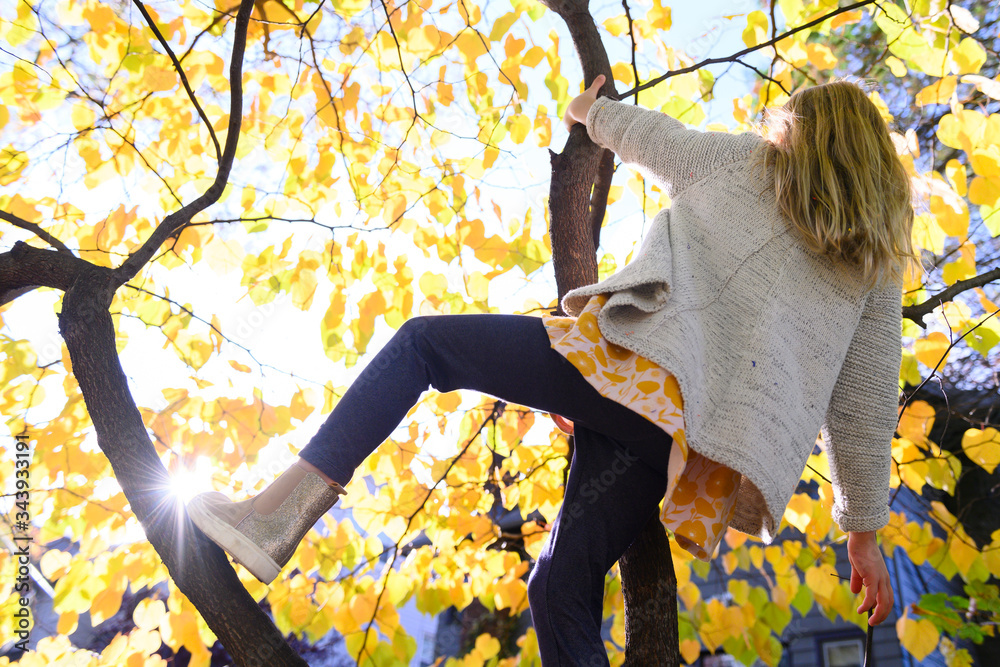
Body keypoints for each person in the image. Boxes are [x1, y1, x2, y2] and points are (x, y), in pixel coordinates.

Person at [188, 74, 914, 665]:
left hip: (630, 375)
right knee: (559, 584)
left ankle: (274, 513)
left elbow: (651, 138)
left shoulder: (744, 162)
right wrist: (862, 536)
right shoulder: (874, 267)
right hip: (677, 443)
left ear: (795, 131)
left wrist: (591, 110)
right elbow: (865, 405)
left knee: (423, 346)